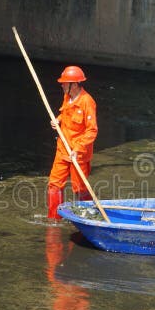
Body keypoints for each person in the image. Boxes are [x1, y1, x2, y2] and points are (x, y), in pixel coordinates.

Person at [46, 65, 98, 219]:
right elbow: (65, 113)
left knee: (79, 188)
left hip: (78, 154)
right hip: (63, 149)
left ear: (74, 85)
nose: (62, 85)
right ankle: (54, 219)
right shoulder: (67, 97)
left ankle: (88, 216)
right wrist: (57, 120)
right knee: (54, 185)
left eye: (65, 83)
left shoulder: (87, 102)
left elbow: (92, 130)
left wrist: (78, 149)